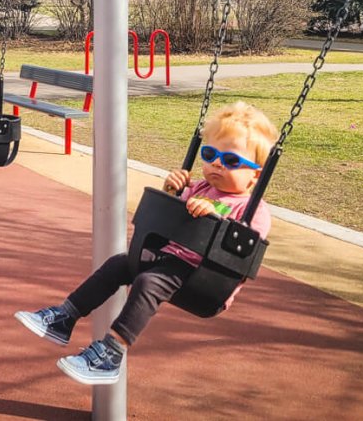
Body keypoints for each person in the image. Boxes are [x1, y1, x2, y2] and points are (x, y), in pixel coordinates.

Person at [14, 101, 276, 386]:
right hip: (168, 260)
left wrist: (215, 220)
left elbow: (245, 250)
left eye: (232, 161)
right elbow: (170, 218)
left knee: (148, 282)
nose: (216, 163)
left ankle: (110, 354)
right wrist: (172, 191)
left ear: (256, 175)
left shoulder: (253, 210)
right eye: (210, 153)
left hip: (204, 280)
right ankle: (64, 318)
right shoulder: (199, 187)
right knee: (120, 264)